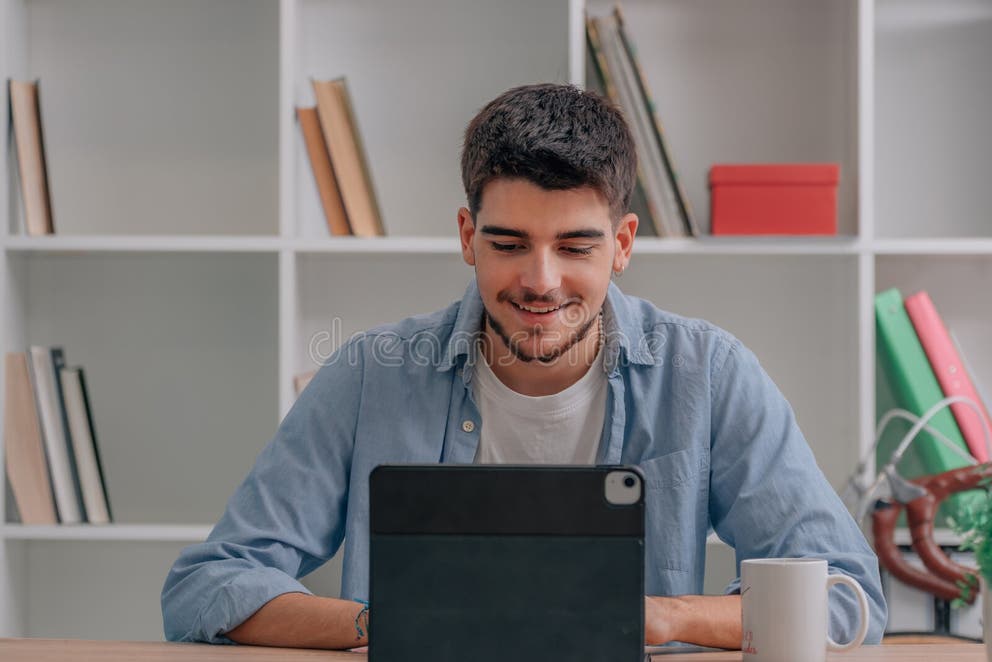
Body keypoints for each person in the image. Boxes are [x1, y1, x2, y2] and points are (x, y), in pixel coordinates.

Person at [162, 83, 886, 649]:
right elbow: (209, 586)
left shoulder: (708, 374)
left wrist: (660, 618)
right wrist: (385, 625)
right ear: (467, 236)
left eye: (575, 247)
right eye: (509, 244)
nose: (541, 281)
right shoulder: (369, 377)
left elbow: (847, 595)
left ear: (624, 243)